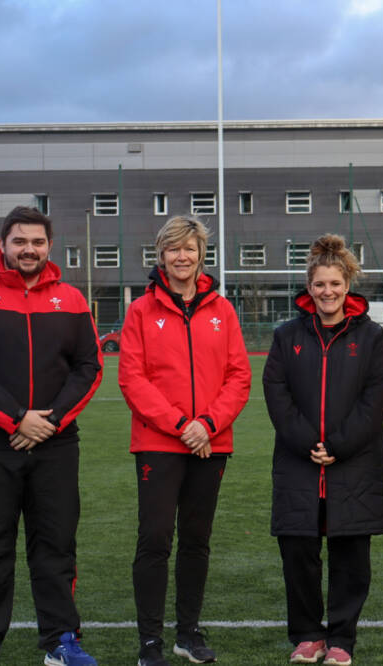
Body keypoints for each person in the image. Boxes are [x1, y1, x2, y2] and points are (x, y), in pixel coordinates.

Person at [0, 206, 103, 666]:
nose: (28, 249)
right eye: (19, 241)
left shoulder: (71, 299)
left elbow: (88, 368)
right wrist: (16, 418)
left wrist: (46, 423)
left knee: (55, 545)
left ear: (49, 246)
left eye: (36, 242)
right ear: (3, 245)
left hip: (55, 444)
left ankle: (61, 641)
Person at [118, 215, 251, 666]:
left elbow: (238, 376)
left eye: (189, 249)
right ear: (161, 255)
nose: (182, 256)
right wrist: (181, 425)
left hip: (211, 444)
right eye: (173, 248)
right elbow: (132, 379)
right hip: (160, 442)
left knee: (197, 540)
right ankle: (150, 642)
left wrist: (208, 424)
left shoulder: (223, 309)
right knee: (155, 539)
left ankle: (187, 633)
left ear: (201, 255)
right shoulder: (140, 310)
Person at [263, 234, 383, 666]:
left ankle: (341, 638)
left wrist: (337, 445)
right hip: (299, 464)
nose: (328, 292)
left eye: (335, 283)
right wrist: (307, 443)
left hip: (353, 463)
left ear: (348, 284)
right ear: (309, 286)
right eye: (320, 284)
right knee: (298, 553)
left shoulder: (371, 336)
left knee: (350, 555)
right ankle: (307, 635)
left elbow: (375, 400)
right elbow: (276, 393)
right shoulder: (287, 336)